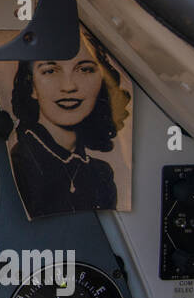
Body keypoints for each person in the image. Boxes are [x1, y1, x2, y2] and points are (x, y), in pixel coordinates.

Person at [8, 28, 131, 218]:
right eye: (50, 71)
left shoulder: (101, 173)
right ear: (31, 86)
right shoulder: (17, 162)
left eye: (84, 69)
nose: (69, 86)